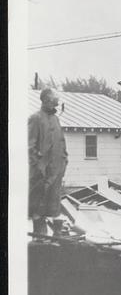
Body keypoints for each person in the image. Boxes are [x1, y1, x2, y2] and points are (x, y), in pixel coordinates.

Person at [29, 88, 68, 235]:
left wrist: (64, 160)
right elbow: (30, 146)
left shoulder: (55, 118)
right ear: (47, 100)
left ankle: (54, 243)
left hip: (56, 171)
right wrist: (38, 167)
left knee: (53, 207)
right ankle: (39, 240)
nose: (58, 101)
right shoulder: (35, 118)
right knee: (38, 206)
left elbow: (61, 142)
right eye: (55, 98)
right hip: (41, 173)